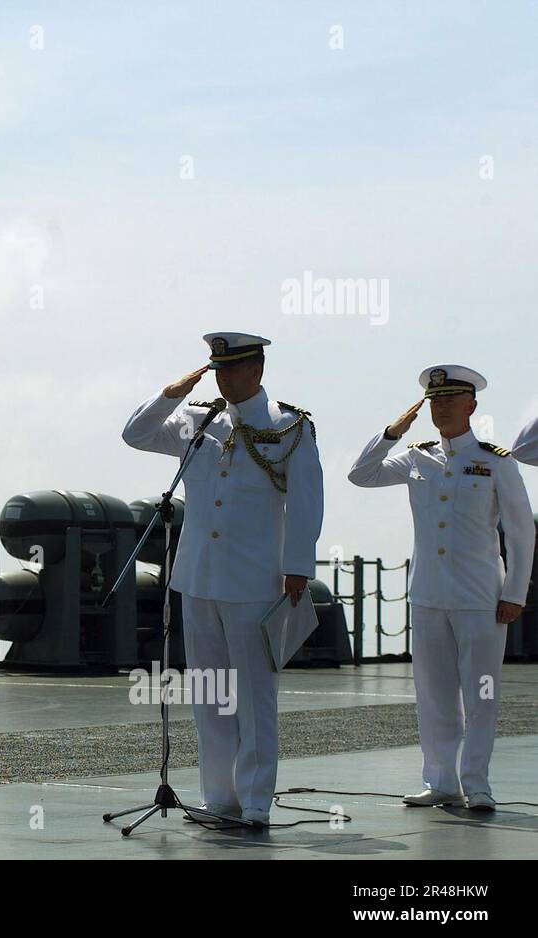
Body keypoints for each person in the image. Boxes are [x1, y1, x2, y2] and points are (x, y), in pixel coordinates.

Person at [121, 333, 323, 828]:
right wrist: (174, 391)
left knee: (253, 695)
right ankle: (220, 797)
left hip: (256, 578)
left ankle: (255, 801)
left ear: (256, 368)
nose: (222, 378)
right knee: (211, 693)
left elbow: (306, 499)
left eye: (231, 369)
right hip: (198, 576)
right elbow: (135, 433)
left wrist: (298, 565)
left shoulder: (289, 425)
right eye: (215, 369)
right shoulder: (198, 419)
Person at [349, 365, 533, 811]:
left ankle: (478, 783)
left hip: (480, 599)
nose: (441, 406)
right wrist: (391, 432)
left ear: (471, 406)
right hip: (428, 595)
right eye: (435, 400)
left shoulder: (496, 461)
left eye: (450, 399)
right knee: (434, 696)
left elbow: (522, 530)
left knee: (482, 693)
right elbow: (362, 474)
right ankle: (441, 781)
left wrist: (514, 592)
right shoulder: (417, 457)